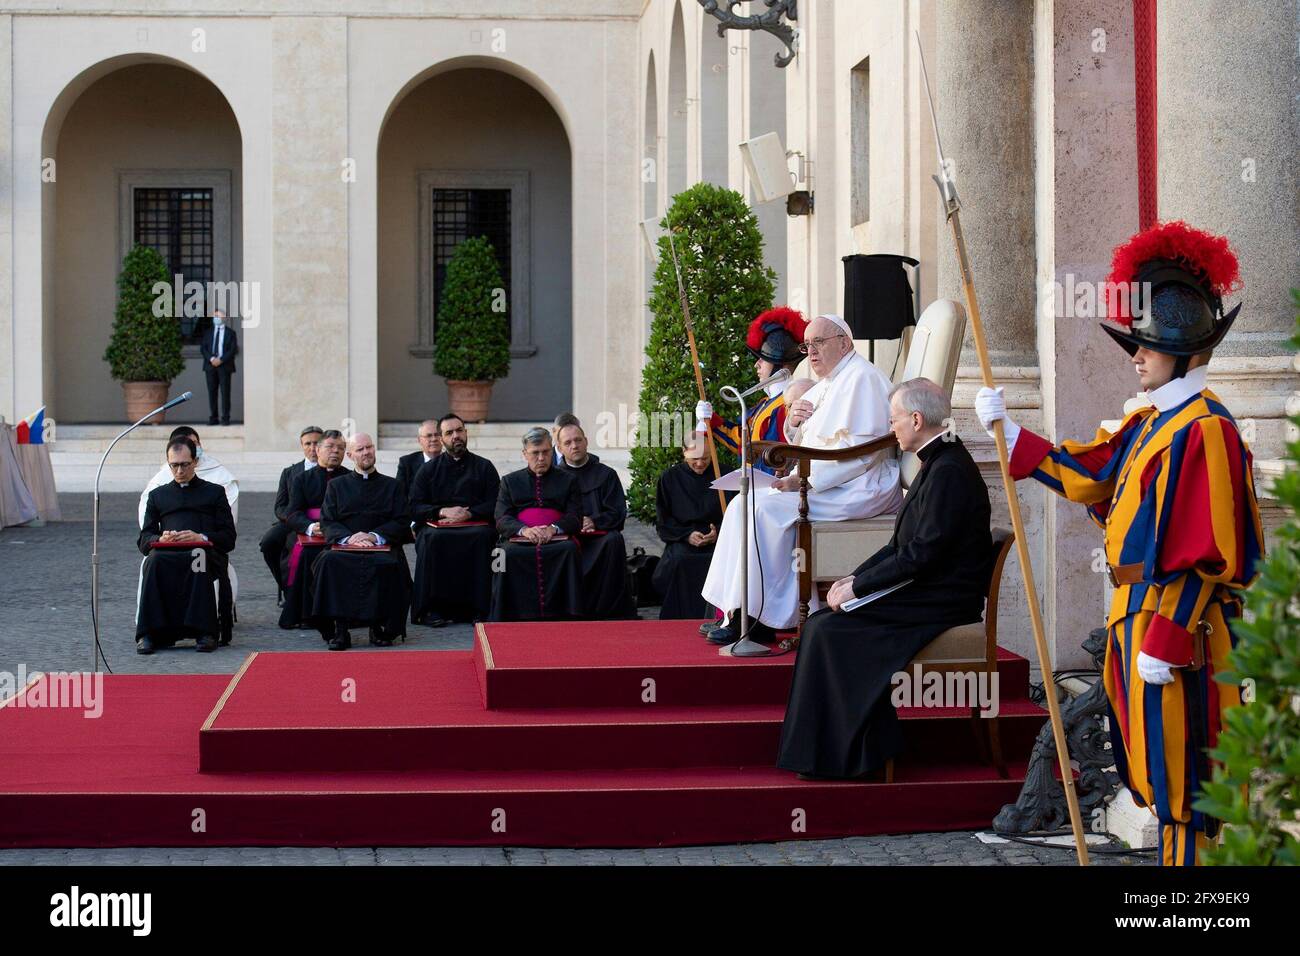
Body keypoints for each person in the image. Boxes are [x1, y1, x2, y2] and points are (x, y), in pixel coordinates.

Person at [975, 221, 1263, 866]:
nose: (1135, 356)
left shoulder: (1204, 429)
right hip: (1133, 615)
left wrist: (1170, 632)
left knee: (1189, 777)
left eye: (1147, 347)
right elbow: (1092, 477)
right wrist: (1014, 434)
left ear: (1184, 348)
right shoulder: (1154, 422)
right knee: (1154, 773)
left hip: (1175, 622)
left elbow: (1206, 546)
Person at [777, 378, 993, 779]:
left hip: (941, 599)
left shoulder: (948, 470)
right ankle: (838, 750)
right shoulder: (939, 460)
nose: (890, 427)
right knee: (823, 621)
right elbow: (900, 545)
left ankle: (856, 754)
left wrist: (860, 589)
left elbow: (921, 555)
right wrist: (852, 578)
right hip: (927, 587)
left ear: (915, 419)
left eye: (893, 420)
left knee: (829, 630)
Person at [702, 313, 903, 645]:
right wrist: (793, 424)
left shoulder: (863, 379)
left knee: (762, 510)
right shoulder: (829, 382)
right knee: (743, 503)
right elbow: (807, 439)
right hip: (826, 477)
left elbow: (863, 453)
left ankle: (757, 618)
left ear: (845, 343)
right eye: (807, 345)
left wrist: (807, 482)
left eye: (819, 343)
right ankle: (733, 609)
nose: (810, 352)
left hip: (860, 484)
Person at [309, 432, 412, 650]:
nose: (366, 452)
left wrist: (373, 536)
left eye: (369, 447)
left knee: (390, 565)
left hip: (381, 547)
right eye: (360, 449)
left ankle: (379, 627)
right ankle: (340, 629)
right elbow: (327, 521)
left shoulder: (393, 486)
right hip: (344, 547)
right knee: (328, 562)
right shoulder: (336, 486)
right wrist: (350, 538)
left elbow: (402, 520)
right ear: (349, 455)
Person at [135, 436, 237, 654]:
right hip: (167, 553)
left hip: (203, 552)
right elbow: (145, 538)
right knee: (153, 561)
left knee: (196, 559)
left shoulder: (215, 493)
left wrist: (201, 537)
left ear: (195, 462)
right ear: (168, 463)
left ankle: (204, 632)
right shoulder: (157, 495)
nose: (179, 471)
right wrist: (159, 539)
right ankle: (149, 633)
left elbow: (228, 537)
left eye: (184, 464)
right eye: (174, 465)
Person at [408, 414, 500, 626]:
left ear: (466, 433)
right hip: (437, 528)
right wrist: (442, 511)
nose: (456, 436)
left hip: (477, 526)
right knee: (432, 539)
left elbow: (496, 502)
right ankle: (433, 609)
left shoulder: (484, 467)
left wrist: (471, 513)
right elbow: (414, 507)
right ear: (441, 439)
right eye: (449, 433)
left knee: (484, 537)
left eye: (459, 430)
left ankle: (479, 608)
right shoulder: (427, 470)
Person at [697, 306, 807, 476]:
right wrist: (711, 419)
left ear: (780, 365)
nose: (757, 365)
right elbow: (742, 440)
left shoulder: (787, 403)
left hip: (771, 487)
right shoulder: (765, 404)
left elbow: (773, 452)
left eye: (763, 360)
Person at [490, 427, 583, 621]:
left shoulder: (568, 480)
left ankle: (569, 612)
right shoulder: (509, 481)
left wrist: (554, 528)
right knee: (501, 555)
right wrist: (523, 530)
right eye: (535, 453)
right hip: (519, 539)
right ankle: (505, 613)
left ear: (552, 450)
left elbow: (575, 517)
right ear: (525, 454)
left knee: (570, 550)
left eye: (546, 452)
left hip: (558, 539)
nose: (541, 458)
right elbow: (501, 518)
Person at [555, 422, 635, 619]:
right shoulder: (555, 478)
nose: (574, 445)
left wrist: (594, 521)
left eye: (578, 440)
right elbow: (551, 512)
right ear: (560, 448)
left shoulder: (606, 474)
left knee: (614, 540)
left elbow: (618, 512)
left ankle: (608, 609)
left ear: (586, 442)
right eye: (568, 442)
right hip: (568, 536)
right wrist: (572, 523)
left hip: (600, 537)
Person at [278, 430, 347, 630]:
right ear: (318, 449)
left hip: (340, 534)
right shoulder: (301, 479)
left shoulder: (349, 478)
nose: (335, 451)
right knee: (304, 553)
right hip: (307, 533)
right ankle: (307, 613)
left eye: (340, 448)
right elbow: (292, 513)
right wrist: (310, 527)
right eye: (330, 447)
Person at [653, 438, 725, 620]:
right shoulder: (669, 478)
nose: (700, 463)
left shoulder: (723, 474)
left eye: (706, 458)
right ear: (684, 452)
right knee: (680, 559)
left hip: (719, 538)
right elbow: (663, 522)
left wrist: (718, 532)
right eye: (695, 458)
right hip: (682, 537)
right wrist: (687, 535)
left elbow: (734, 513)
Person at [258, 425, 322, 604]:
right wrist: (295, 521)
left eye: (316, 443)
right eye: (307, 443)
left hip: (321, 523)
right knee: (268, 543)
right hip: (291, 521)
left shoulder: (331, 471)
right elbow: (280, 507)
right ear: (302, 446)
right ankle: (287, 588)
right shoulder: (289, 473)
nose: (312, 448)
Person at [200, 310, 239, 426]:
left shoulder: (231, 333)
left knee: (225, 392)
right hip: (210, 366)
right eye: (215, 316)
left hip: (225, 367)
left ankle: (225, 418)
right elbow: (203, 348)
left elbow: (232, 350)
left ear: (225, 318)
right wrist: (212, 359)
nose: (216, 318)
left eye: (218, 316)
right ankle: (213, 417)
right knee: (212, 392)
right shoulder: (208, 332)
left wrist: (221, 360)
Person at [396, 419, 444, 501]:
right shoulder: (407, 463)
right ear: (419, 440)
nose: (434, 439)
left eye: (437, 434)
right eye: (429, 436)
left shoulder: (452, 461)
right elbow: (399, 496)